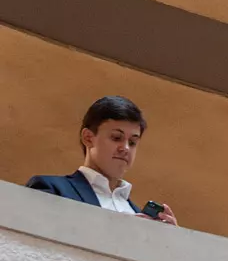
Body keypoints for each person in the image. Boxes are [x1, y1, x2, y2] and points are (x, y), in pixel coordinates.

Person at [27, 95, 177, 224]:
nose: (125, 148)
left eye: (132, 142)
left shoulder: (142, 218)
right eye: (116, 138)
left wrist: (168, 242)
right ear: (88, 138)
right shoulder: (52, 189)